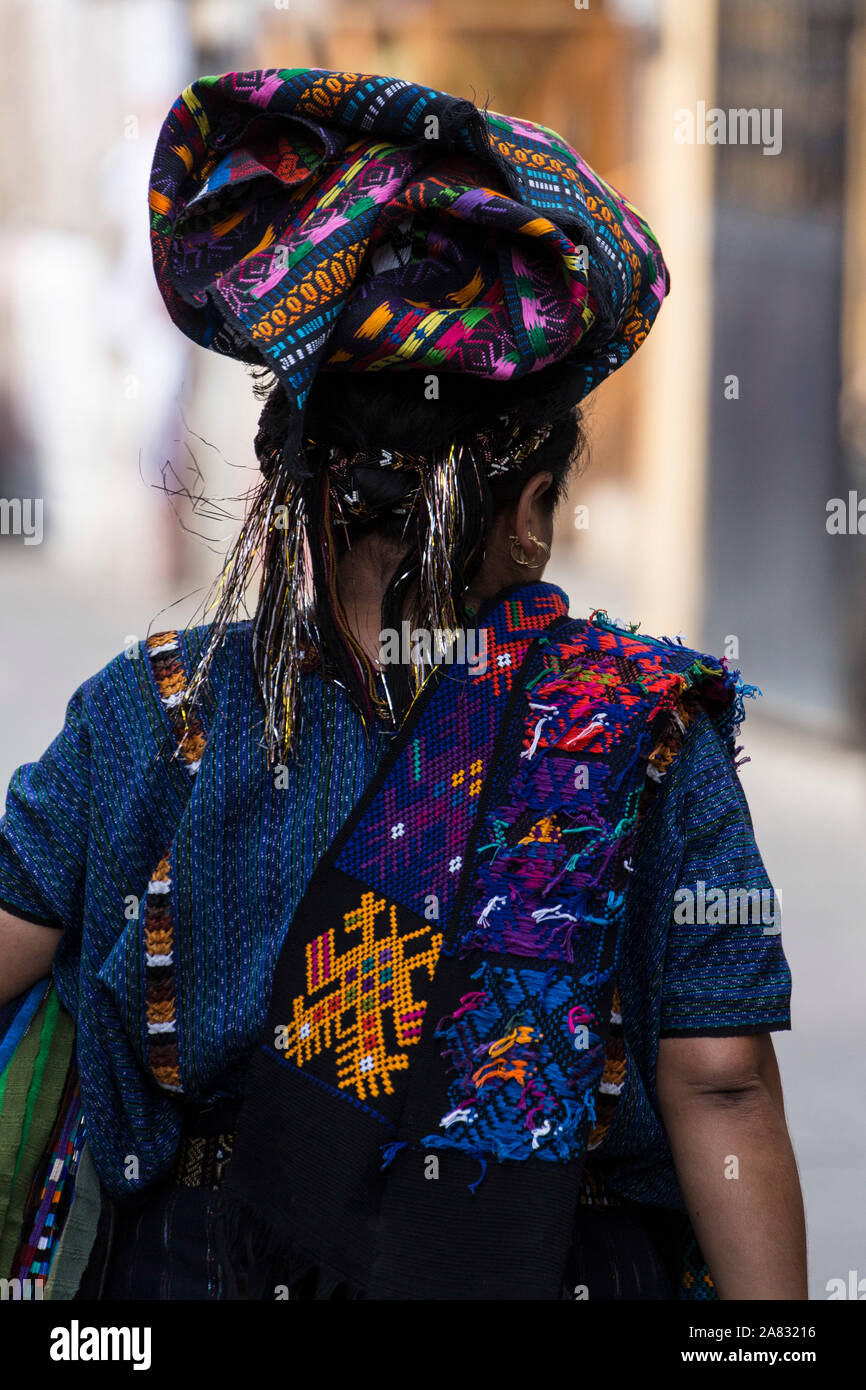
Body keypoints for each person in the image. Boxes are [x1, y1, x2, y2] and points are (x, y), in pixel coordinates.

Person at [0, 68, 806, 1301]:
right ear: (531, 513)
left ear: (295, 482)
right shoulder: (638, 732)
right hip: (544, 1264)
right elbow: (721, 1076)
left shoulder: (151, 715)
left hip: (205, 1271)